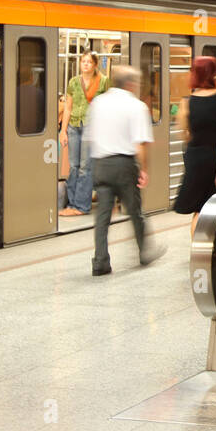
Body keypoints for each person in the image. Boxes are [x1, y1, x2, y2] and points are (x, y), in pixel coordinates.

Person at [85, 66, 164, 276]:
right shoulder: (136, 106)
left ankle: (100, 262)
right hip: (124, 165)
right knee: (135, 211)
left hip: (101, 164)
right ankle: (144, 252)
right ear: (130, 84)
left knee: (102, 217)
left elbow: (90, 137)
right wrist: (144, 169)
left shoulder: (98, 103)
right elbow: (141, 143)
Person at [173, 56, 216, 236]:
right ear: (214, 73)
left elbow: (184, 133)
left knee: (199, 210)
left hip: (196, 160)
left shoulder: (186, 102)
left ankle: (196, 247)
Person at [59, 52, 109, 217]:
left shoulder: (103, 81)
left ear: (95, 65)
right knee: (73, 166)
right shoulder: (73, 82)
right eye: (83, 61)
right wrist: (63, 130)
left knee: (85, 167)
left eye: (89, 62)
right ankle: (72, 203)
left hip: (92, 127)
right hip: (74, 126)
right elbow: (68, 108)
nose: (86, 64)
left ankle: (81, 206)